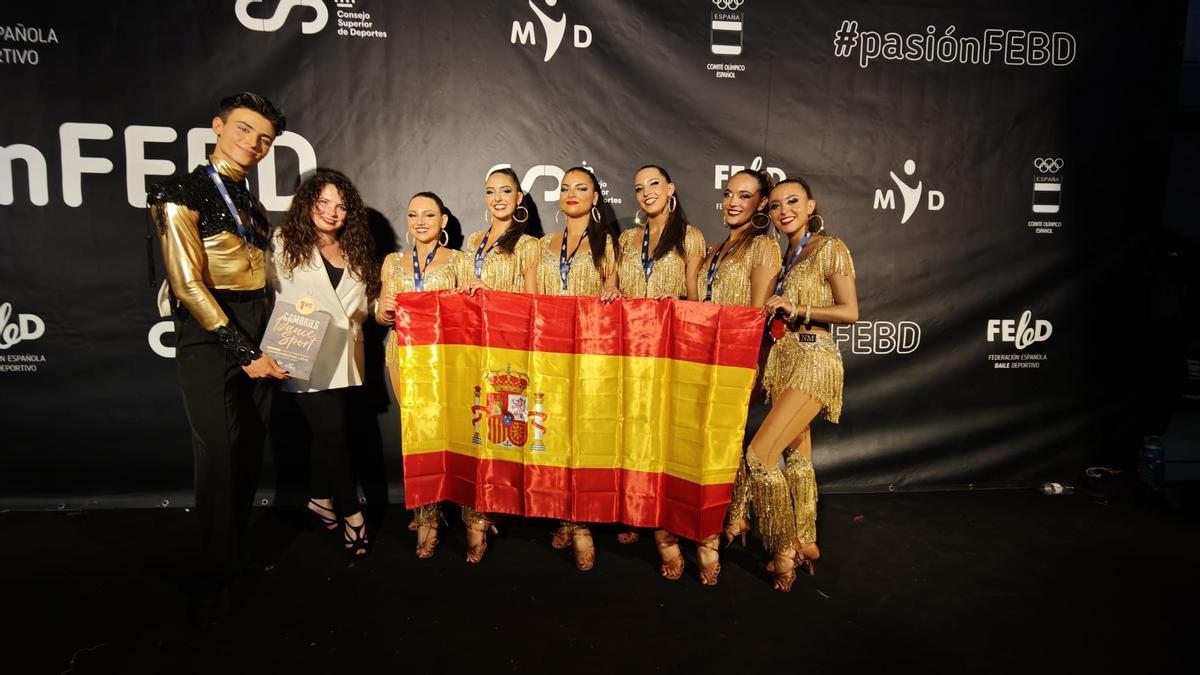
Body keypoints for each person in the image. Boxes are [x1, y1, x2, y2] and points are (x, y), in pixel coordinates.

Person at [147, 91, 288, 626]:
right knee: (218, 457)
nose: (254, 144)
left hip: (256, 323)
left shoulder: (249, 200)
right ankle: (213, 577)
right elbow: (186, 285)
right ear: (218, 127)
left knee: (249, 451)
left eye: (265, 139)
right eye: (244, 130)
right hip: (211, 334)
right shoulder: (178, 191)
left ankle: (232, 554)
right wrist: (243, 350)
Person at [729, 176, 858, 591]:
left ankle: (784, 549)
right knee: (797, 457)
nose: (784, 211)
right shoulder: (784, 255)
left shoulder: (829, 247)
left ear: (810, 206)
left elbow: (850, 311)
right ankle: (807, 539)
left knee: (760, 456)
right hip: (784, 361)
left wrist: (797, 306)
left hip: (813, 358)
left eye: (793, 202)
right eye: (777, 205)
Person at [269, 169, 379, 558]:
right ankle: (352, 514)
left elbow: (364, 307)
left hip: (344, 356)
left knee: (329, 433)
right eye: (323, 202)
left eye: (341, 205)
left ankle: (318, 497)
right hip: (302, 352)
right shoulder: (284, 241)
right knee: (333, 430)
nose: (332, 212)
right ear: (308, 204)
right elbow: (265, 292)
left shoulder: (356, 250)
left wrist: (385, 309)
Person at [614, 164, 708, 580]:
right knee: (633, 435)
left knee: (664, 441)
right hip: (630, 353)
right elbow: (616, 289)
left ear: (671, 188)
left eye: (654, 184)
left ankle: (665, 531)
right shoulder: (627, 239)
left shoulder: (690, 236)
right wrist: (612, 291)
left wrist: (680, 303)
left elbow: (698, 299)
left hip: (670, 354)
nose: (646, 192)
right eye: (639, 188)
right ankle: (637, 510)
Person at [376, 192, 469, 559]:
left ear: (443, 221)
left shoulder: (459, 260)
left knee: (450, 432)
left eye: (429, 215)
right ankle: (426, 512)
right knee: (418, 434)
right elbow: (381, 316)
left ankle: (458, 506)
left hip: (444, 358)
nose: (420, 222)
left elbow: (470, 312)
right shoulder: (392, 262)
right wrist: (383, 311)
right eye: (413, 215)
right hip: (402, 355)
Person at [536, 166, 619, 571]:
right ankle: (563, 515)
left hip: (589, 355)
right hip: (549, 355)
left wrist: (613, 291)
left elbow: (613, 289)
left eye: (581, 188)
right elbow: (530, 299)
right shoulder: (543, 244)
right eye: (565, 188)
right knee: (553, 436)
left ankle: (581, 522)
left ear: (595, 198)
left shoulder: (606, 243)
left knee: (583, 438)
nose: (571, 193)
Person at [701, 168, 782, 585]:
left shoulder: (763, 247)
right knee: (715, 444)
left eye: (745, 196)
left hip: (739, 359)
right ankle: (727, 520)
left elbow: (756, 316)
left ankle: (732, 529)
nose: (733, 202)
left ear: (761, 203)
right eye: (729, 194)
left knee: (728, 442)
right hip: (706, 360)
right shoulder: (715, 249)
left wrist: (743, 365)